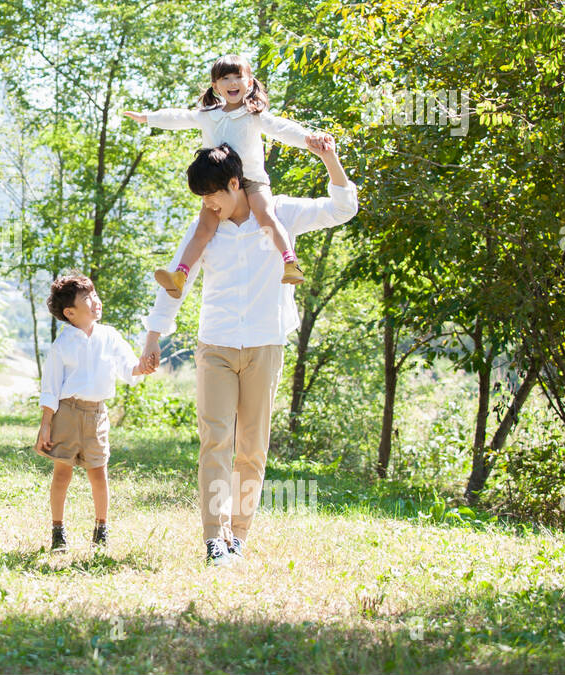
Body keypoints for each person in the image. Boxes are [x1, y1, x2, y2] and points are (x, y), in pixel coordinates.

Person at [138, 137, 358, 566]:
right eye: (201, 197)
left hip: (264, 343)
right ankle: (213, 537)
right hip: (216, 343)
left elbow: (342, 209)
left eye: (212, 195)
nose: (207, 204)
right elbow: (174, 286)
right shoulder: (205, 225)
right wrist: (153, 336)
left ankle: (238, 534)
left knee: (253, 446)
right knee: (214, 440)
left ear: (236, 183)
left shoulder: (279, 214)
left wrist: (328, 157)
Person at [124, 54, 332, 292]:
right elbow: (178, 117)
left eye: (238, 77)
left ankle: (290, 262)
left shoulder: (254, 116)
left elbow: (282, 128)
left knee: (266, 215)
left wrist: (308, 139)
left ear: (250, 83)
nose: (233, 83)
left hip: (251, 180)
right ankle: (180, 276)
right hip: (220, 183)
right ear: (216, 86)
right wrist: (147, 118)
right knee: (203, 228)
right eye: (225, 78)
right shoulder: (208, 116)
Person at [35, 273, 156, 552]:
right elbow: (51, 387)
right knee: (62, 474)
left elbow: (128, 366)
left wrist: (142, 366)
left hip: (97, 415)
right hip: (67, 414)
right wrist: (46, 424)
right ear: (70, 312)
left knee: (98, 473)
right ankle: (58, 531)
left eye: (95, 294)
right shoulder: (62, 344)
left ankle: (101, 529)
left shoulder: (109, 336)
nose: (96, 300)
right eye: (87, 297)